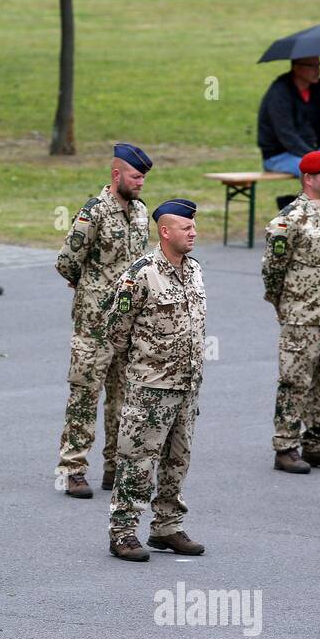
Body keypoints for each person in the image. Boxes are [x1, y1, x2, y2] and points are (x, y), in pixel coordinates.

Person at [102, 199, 208, 562]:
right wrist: (144, 365)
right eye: (185, 227)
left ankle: (167, 526)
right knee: (138, 459)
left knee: (178, 458)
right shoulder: (141, 274)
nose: (193, 232)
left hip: (187, 384)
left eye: (194, 227)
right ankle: (123, 532)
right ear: (165, 231)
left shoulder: (193, 270)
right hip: (150, 386)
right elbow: (115, 329)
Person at [54, 143, 153, 498]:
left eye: (143, 177)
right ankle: (73, 469)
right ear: (116, 175)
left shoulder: (141, 212)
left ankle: (116, 466)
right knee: (84, 394)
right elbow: (67, 260)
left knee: (123, 398)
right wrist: (89, 288)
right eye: (135, 176)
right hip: (94, 323)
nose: (141, 182)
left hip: (128, 324)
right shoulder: (93, 213)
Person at [261, 150, 320, 474]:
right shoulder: (288, 221)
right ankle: (286, 447)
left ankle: (317, 443)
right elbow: (272, 270)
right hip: (302, 316)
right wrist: (284, 305)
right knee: (295, 382)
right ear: (309, 179)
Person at [257, 56, 320, 195]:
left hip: (308, 150)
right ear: (296, 68)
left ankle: (293, 205)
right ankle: (299, 208)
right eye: (313, 66)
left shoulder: (314, 91)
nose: (318, 71)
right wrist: (314, 157)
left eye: (319, 66)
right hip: (278, 156)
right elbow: (287, 135)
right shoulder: (279, 93)